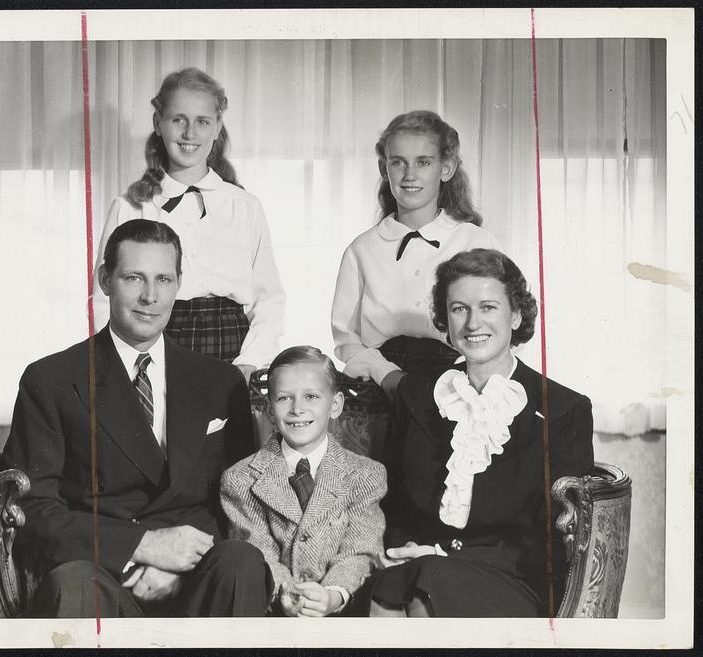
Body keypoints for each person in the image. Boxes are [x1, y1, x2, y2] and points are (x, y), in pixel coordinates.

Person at [3, 219, 271, 617]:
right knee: (72, 586)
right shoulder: (51, 380)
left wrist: (179, 561)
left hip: (198, 571)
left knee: (241, 562)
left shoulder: (221, 380)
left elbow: (241, 503)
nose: (150, 296)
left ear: (179, 284)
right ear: (105, 280)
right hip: (104, 573)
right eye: (134, 278)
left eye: (163, 279)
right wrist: (142, 546)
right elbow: (33, 512)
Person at [370, 248, 594, 617]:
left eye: (488, 307)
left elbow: (555, 540)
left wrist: (445, 554)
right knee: (394, 587)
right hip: (424, 564)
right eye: (459, 309)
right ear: (445, 318)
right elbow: (391, 503)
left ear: (516, 314)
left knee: (424, 586)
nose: (473, 323)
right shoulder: (416, 395)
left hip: (513, 578)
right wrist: (403, 550)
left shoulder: (564, 410)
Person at [92, 67, 285, 383]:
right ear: (159, 124)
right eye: (178, 119)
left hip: (232, 349)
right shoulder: (129, 207)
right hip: (155, 342)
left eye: (202, 121)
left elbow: (270, 300)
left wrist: (249, 363)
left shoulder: (245, 207)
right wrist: (125, 363)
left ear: (217, 127)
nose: (189, 133)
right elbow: (104, 298)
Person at [331, 110, 500, 396]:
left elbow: (500, 326)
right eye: (398, 162)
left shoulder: (475, 242)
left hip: (459, 385)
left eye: (423, 162)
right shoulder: (361, 250)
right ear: (385, 169)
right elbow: (347, 337)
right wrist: (384, 374)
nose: (410, 175)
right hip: (381, 385)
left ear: (446, 168)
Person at [220, 346, 387, 616]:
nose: (298, 409)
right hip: (271, 609)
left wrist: (333, 595)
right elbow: (258, 551)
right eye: (285, 398)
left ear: (335, 406)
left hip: (343, 611)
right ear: (270, 410)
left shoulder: (366, 475)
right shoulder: (241, 479)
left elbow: (360, 551)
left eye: (311, 396)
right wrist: (287, 591)